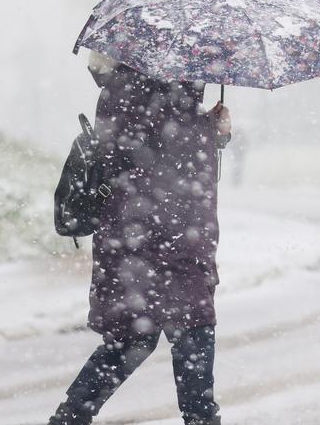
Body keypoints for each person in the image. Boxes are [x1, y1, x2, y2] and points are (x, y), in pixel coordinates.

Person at [48, 52, 231, 425]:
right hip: (178, 237)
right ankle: (200, 419)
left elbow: (138, 157)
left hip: (128, 239)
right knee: (192, 334)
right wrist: (215, 132)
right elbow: (178, 166)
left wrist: (208, 131)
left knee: (131, 339)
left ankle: (70, 418)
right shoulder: (174, 98)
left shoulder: (117, 94)